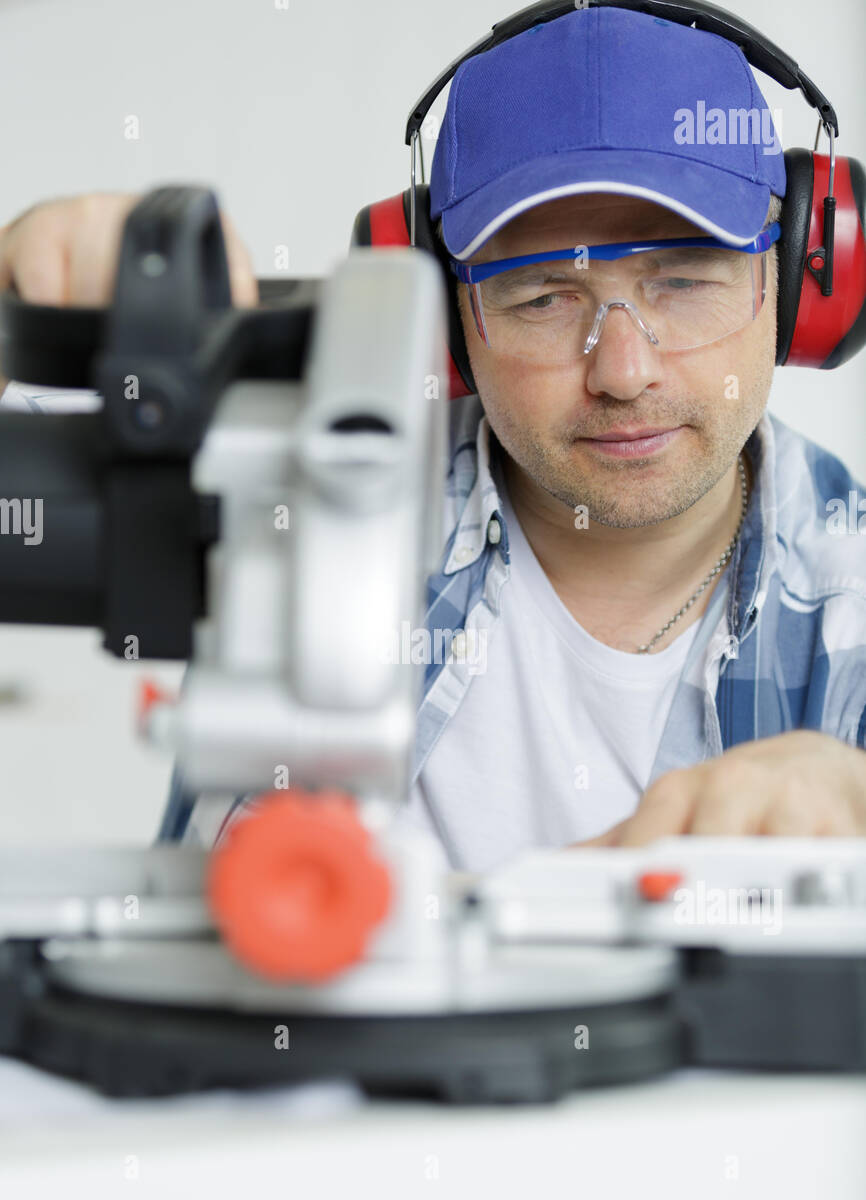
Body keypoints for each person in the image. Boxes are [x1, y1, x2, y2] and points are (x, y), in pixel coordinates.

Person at [1, 7, 865, 873]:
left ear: (794, 278)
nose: (623, 371)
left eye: (682, 280)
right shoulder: (294, 481)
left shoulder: (850, 591)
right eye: (541, 297)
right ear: (446, 319)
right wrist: (12, 295)